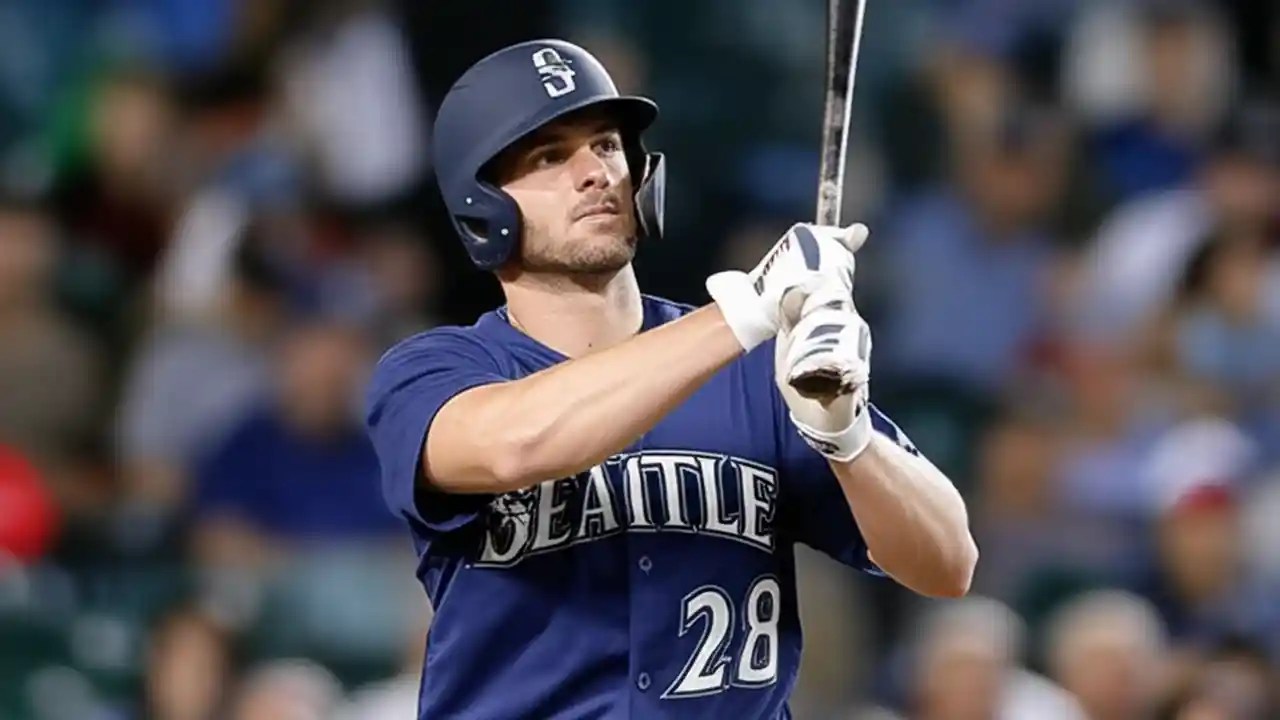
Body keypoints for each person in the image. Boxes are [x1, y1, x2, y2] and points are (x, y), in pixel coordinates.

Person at [365, 39, 977, 719]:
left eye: (604, 145)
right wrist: (746, 310)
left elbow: (948, 562)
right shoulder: (434, 370)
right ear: (483, 205)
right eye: (549, 156)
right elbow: (516, 444)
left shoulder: (759, 374)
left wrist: (846, 434)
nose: (595, 172)